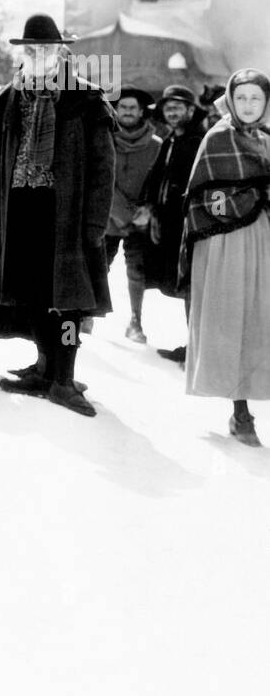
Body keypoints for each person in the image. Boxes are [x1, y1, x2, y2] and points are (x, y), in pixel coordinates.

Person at [0, 14, 114, 418]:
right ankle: (44, 367)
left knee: (69, 301)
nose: (38, 55)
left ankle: (64, 378)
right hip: (21, 209)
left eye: (46, 49)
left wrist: (94, 224)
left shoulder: (85, 100)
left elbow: (103, 168)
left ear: (61, 53)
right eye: (31, 49)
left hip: (68, 215)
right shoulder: (7, 99)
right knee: (33, 293)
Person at [179, 68, 270, 445]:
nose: (249, 106)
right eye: (243, 97)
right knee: (232, 320)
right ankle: (240, 410)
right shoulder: (217, 139)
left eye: (257, 99)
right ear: (232, 100)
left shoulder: (267, 141)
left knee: (261, 321)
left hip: (264, 238)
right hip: (225, 241)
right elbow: (201, 200)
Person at [140, 85, 205, 364]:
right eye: (168, 108)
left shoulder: (200, 141)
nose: (173, 112)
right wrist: (153, 211)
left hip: (192, 226)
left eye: (179, 106)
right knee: (185, 286)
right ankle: (194, 346)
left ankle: (200, 350)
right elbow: (158, 179)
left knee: (196, 286)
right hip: (169, 224)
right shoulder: (170, 141)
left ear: (191, 110)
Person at [104, 88, 161, 344]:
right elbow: (101, 179)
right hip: (107, 216)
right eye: (123, 107)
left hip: (140, 221)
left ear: (141, 112)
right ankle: (85, 316)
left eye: (132, 108)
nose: (127, 112)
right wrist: (123, 213)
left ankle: (135, 320)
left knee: (137, 271)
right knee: (99, 265)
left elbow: (160, 182)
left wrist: (148, 209)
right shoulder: (104, 138)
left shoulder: (156, 145)